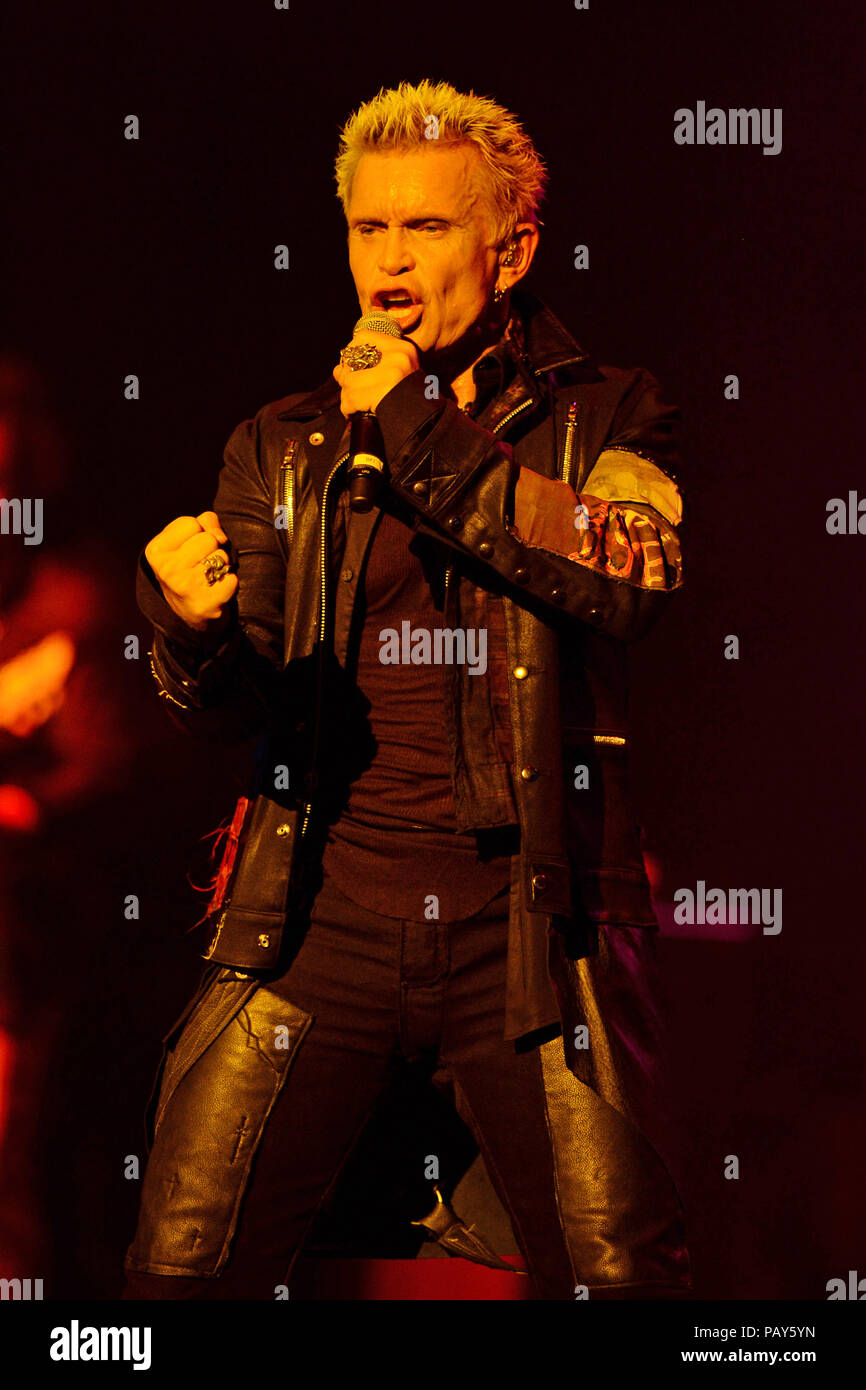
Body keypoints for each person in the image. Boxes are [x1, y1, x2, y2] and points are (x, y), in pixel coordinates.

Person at [123, 79, 691, 1301]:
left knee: (620, 1273)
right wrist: (182, 624)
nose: (387, 259)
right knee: (175, 1279)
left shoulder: (609, 415)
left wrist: (421, 425)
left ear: (510, 246)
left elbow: (629, 575)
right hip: (316, 926)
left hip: (529, 938)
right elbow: (236, 713)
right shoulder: (283, 444)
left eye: (425, 228)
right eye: (368, 229)